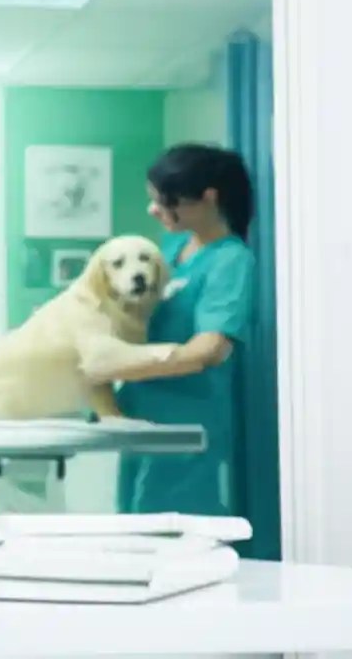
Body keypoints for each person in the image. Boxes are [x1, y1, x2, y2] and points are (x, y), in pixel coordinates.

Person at [98, 143, 256, 518]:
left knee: (173, 527)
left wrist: (128, 364)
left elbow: (210, 349)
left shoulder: (230, 260)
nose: (154, 210)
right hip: (141, 418)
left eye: (165, 201)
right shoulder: (172, 251)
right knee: (134, 520)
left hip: (186, 422)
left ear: (208, 198)